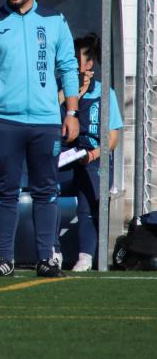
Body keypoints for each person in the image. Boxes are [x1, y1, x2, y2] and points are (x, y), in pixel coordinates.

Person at [0, 0, 79, 278]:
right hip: (5, 122)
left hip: (45, 122)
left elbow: (68, 67)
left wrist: (70, 112)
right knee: (5, 191)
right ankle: (4, 259)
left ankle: (47, 258)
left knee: (46, 190)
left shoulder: (55, 20)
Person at [57, 33, 124, 272]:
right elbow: (48, 115)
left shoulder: (105, 93)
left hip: (91, 156)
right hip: (62, 153)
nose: (73, 65)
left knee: (89, 196)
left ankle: (85, 256)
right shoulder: (60, 90)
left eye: (77, 60)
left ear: (89, 64)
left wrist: (93, 155)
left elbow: (113, 137)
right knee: (46, 190)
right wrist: (77, 94)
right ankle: (51, 252)